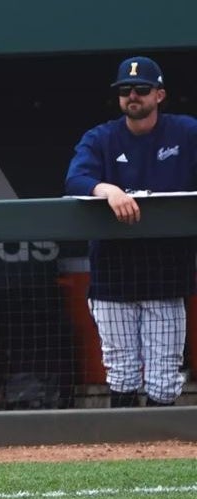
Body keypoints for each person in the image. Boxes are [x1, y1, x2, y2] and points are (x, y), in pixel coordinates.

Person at [65, 56, 197, 407]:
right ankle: (122, 439)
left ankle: (159, 441)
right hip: (114, 274)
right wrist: (107, 189)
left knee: (163, 379)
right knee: (121, 372)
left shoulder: (186, 132)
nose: (132, 95)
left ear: (159, 94)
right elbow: (75, 178)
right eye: (125, 90)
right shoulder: (101, 137)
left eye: (141, 89)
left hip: (167, 273)